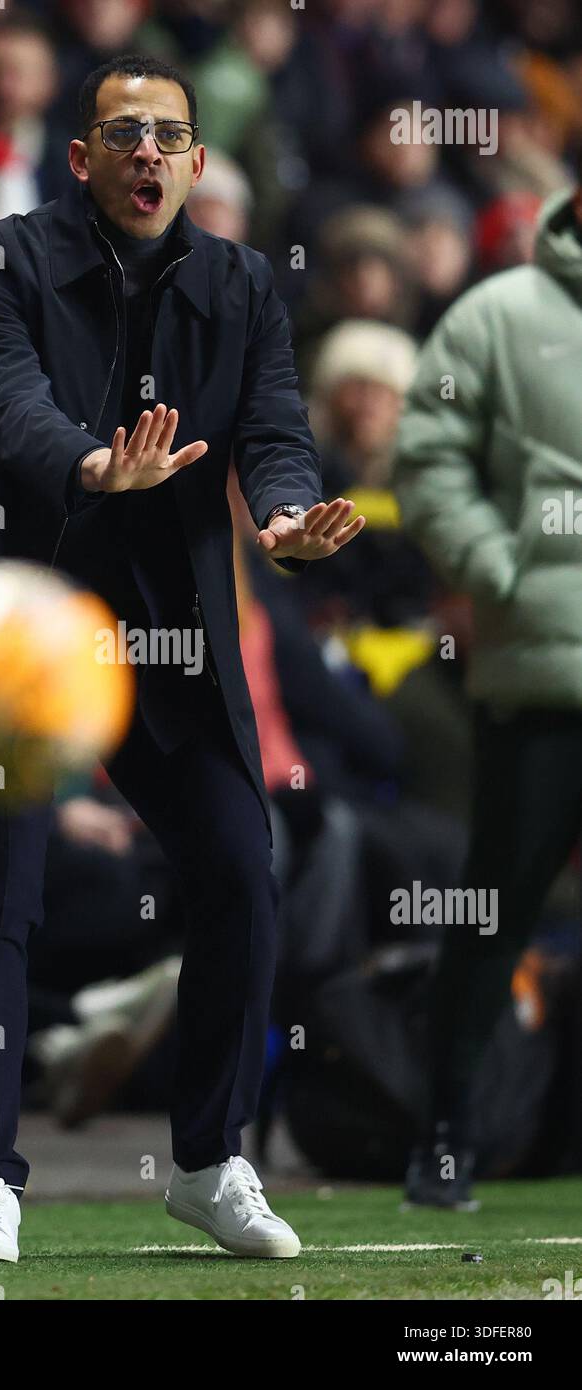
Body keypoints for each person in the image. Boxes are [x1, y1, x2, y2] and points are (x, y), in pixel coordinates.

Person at [0, 52, 365, 1264]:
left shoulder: (240, 284)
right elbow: (4, 402)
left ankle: (211, 1161)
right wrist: (86, 463)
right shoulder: (0, 261)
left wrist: (281, 518)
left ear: (199, 161)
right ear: (81, 158)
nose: (148, 154)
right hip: (21, 626)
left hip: (166, 630)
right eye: (123, 134)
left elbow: (272, 432)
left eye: (169, 135)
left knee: (235, 865)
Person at [393, 175, 582, 1209]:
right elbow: (424, 454)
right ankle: (444, 1134)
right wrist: (489, 560)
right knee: (494, 906)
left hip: (537, 658)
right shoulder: (497, 314)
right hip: (542, 669)